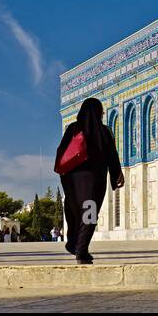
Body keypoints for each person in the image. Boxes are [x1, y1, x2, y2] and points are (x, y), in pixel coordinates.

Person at [55, 96, 124, 266]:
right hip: (93, 183)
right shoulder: (104, 131)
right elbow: (112, 157)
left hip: (72, 181)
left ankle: (74, 243)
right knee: (89, 215)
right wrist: (117, 175)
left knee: (73, 213)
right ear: (100, 112)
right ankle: (81, 251)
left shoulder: (72, 129)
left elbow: (61, 153)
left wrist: (64, 175)